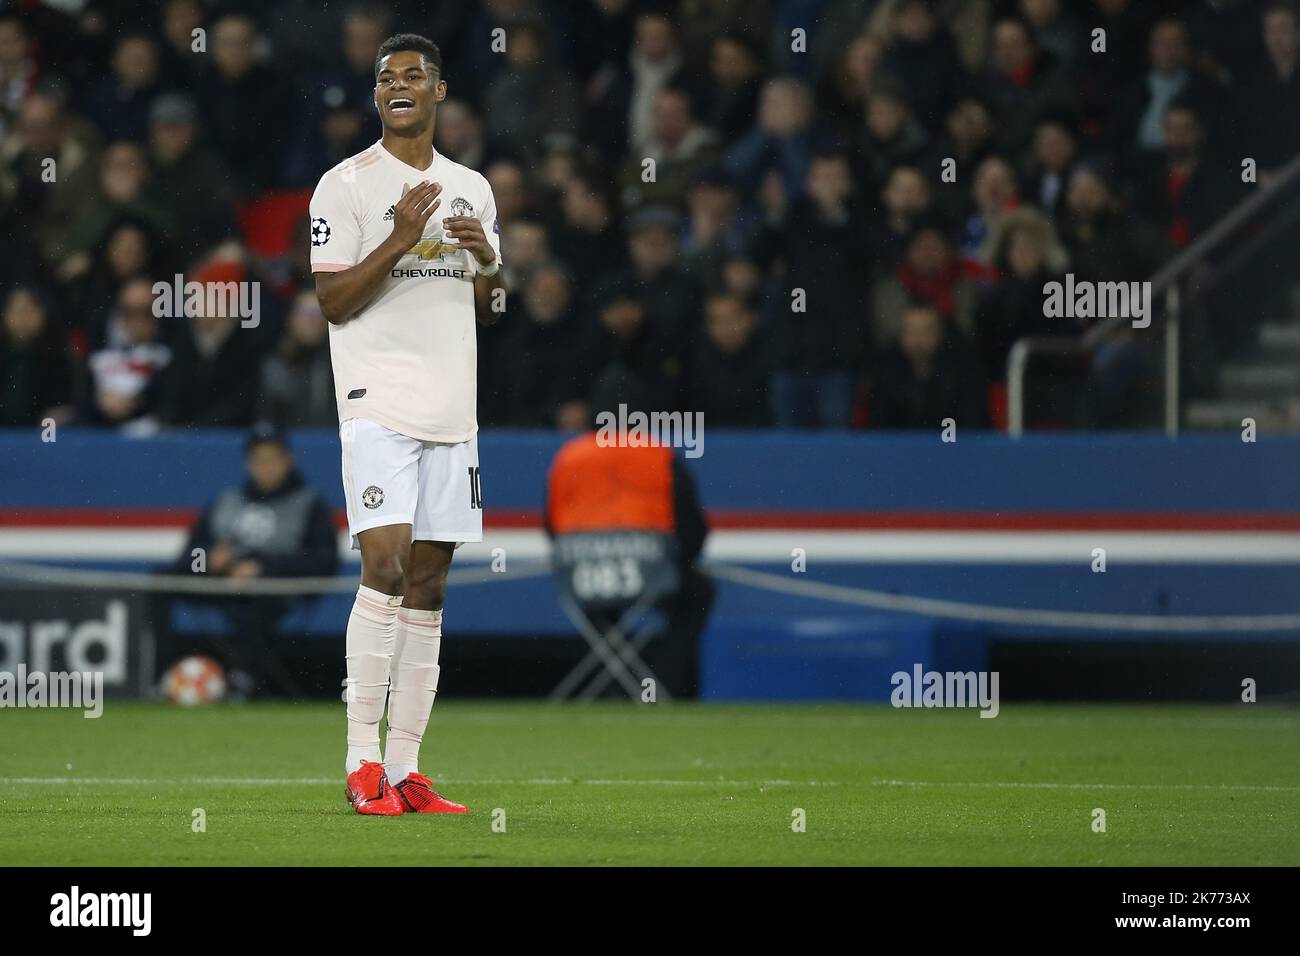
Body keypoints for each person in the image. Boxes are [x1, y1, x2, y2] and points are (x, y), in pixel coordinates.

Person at [310, 33, 504, 816]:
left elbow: (489, 308)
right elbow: (331, 302)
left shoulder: (473, 187)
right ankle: (360, 762)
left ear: (439, 91)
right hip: (376, 402)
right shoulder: (345, 184)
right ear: (377, 96)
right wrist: (399, 234)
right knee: (383, 568)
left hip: (453, 409)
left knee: (429, 584)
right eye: (386, 77)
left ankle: (408, 768)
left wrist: (489, 261)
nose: (398, 86)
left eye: (412, 76)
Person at [160, 424, 340, 695]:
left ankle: (244, 678)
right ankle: (160, 671)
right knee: (161, 583)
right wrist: (207, 561)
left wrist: (264, 569)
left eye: (273, 459)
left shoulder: (309, 504)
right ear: (248, 463)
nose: (265, 467)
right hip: (222, 584)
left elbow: (323, 561)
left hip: (276, 591)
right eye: (258, 460)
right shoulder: (227, 501)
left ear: (287, 460)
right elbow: (190, 555)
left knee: (260, 600)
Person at [544, 424, 713, 698]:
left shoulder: (570, 455)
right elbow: (691, 525)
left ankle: (612, 690)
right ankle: (665, 685)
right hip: (651, 575)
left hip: (581, 578)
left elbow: (552, 523)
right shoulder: (657, 453)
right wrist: (681, 560)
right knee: (697, 594)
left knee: (604, 620)